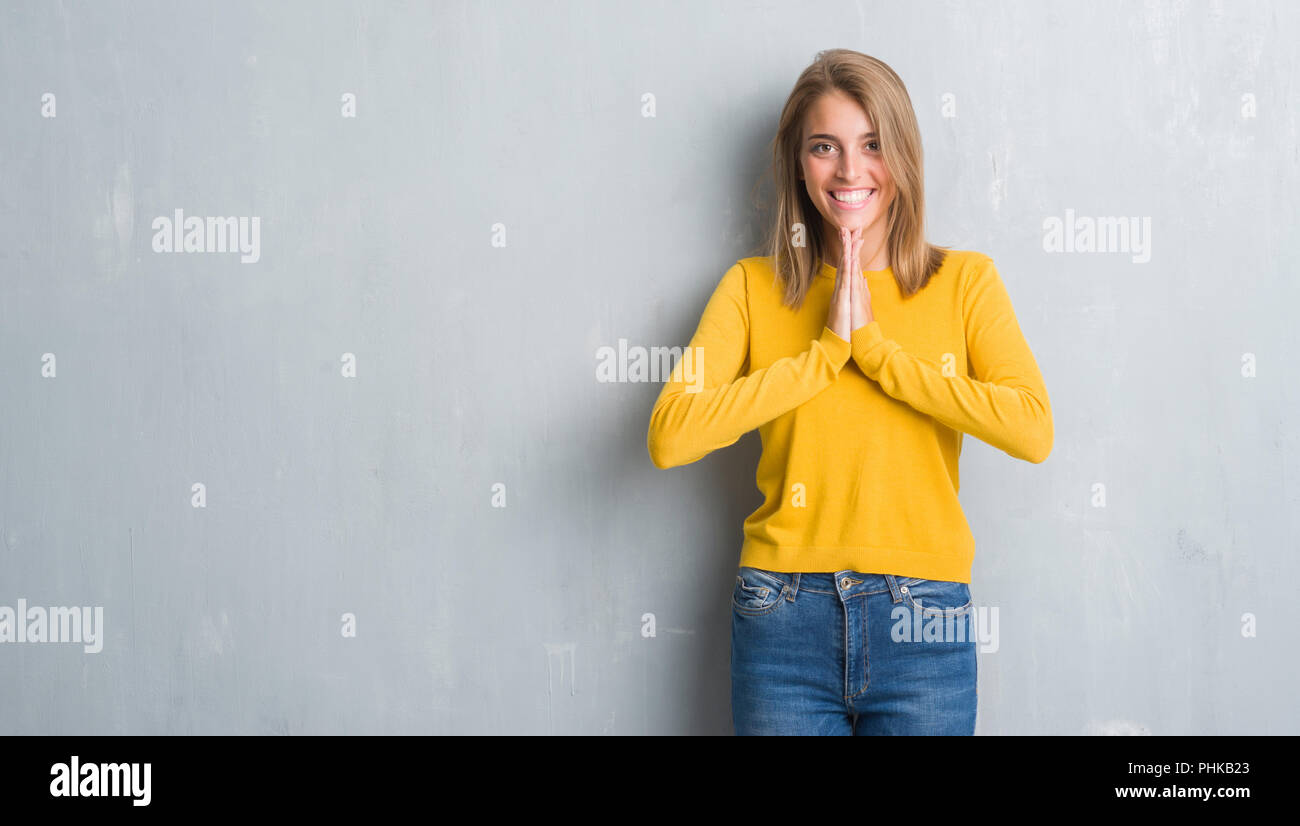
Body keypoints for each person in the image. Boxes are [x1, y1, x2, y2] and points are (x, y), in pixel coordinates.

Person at [646, 49, 1053, 735]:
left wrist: (878, 353)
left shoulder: (965, 282)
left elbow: (1031, 429)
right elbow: (670, 435)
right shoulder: (752, 288)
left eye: (872, 145)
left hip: (923, 618)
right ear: (798, 164)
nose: (849, 171)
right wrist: (824, 354)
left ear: (903, 156)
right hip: (782, 619)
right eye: (824, 147)